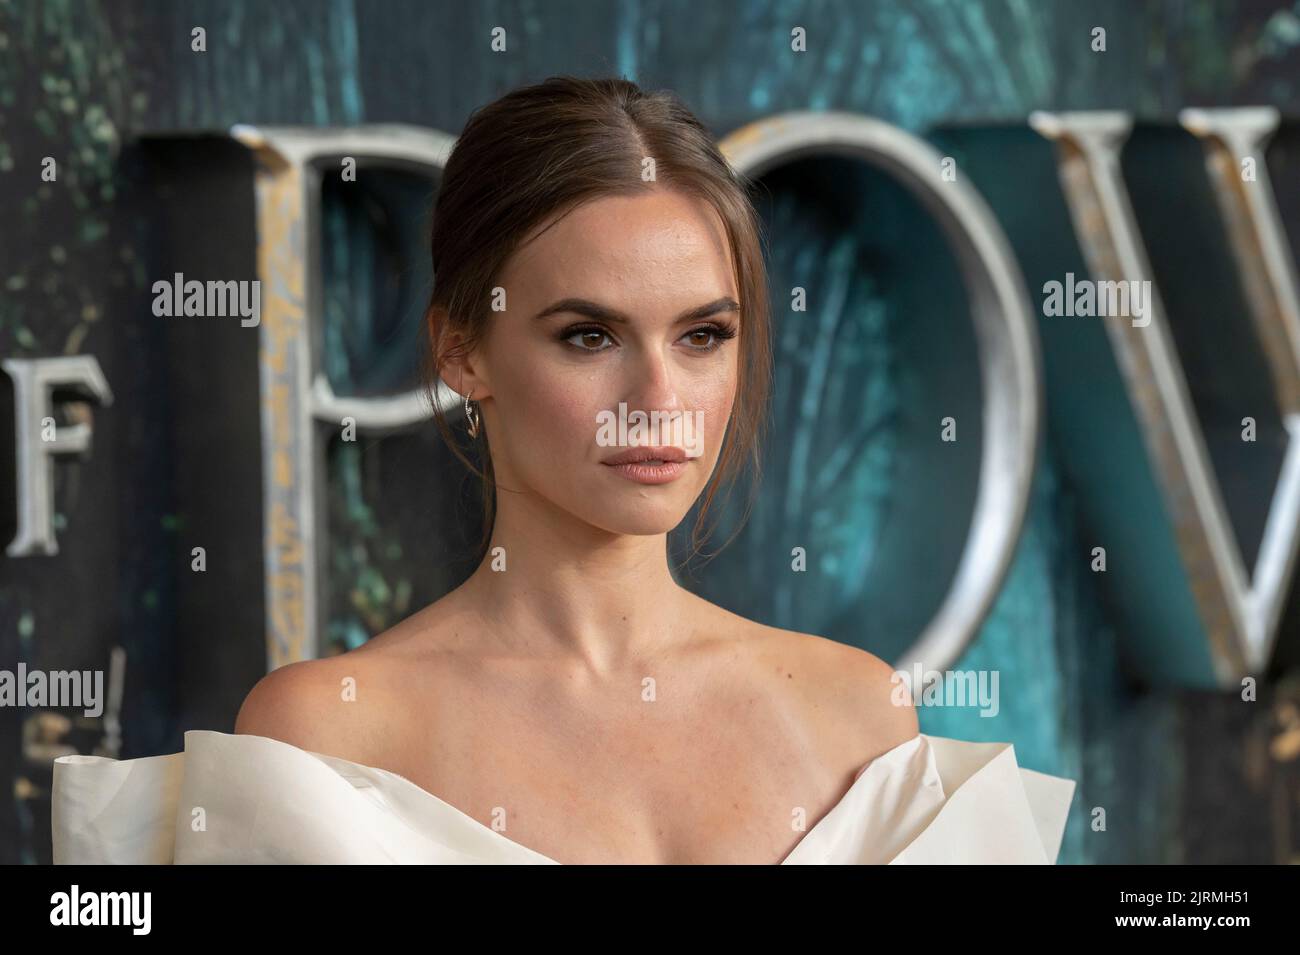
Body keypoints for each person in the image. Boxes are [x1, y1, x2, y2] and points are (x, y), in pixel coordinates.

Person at [51, 75, 1074, 865]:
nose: (658, 397)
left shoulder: (857, 711)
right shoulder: (329, 727)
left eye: (703, 335)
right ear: (461, 350)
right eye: (588, 335)